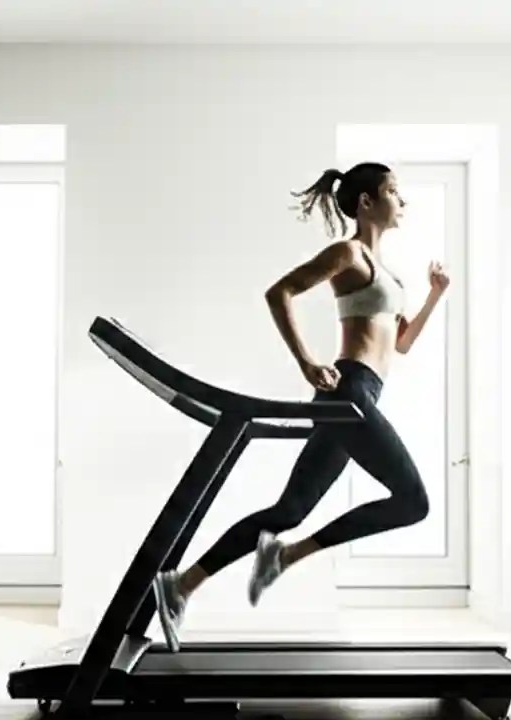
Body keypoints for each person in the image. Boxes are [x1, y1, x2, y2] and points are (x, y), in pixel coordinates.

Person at [151, 162, 450, 651]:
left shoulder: (389, 273)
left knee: (288, 510)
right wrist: (308, 362)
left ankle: (181, 585)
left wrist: (435, 296)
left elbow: (401, 345)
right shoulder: (348, 254)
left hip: (364, 392)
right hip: (346, 391)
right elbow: (280, 292)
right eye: (393, 191)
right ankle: (286, 557)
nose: (403, 200)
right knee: (413, 502)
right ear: (366, 203)